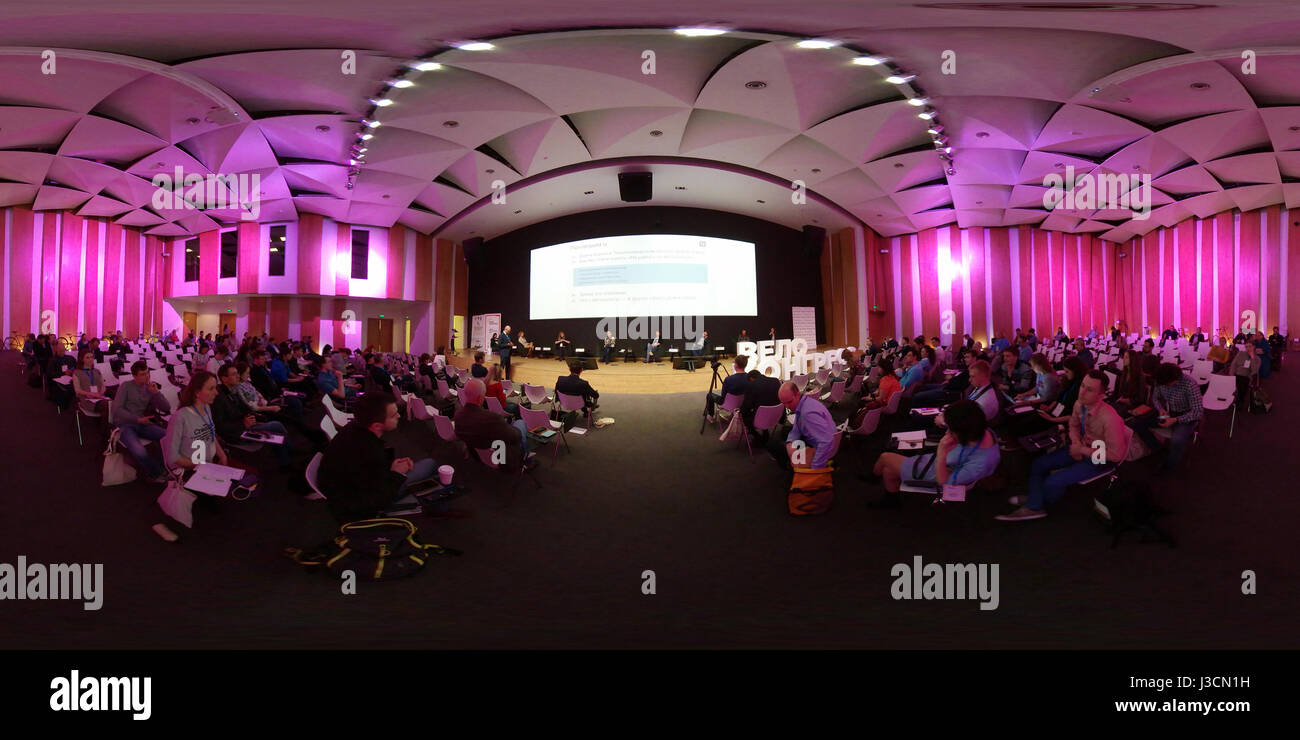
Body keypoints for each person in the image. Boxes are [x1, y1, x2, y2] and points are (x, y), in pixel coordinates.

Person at [997, 371, 1128, 521]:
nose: (1082, 392)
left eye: (1089, 390)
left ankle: (1036, 505)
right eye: (1082, 386)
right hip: (1082, 446)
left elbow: (1116, 455)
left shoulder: (1110, 419)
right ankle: (1036, 499)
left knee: (1053, 481)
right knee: (1039, 464)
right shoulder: (1080, 404)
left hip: (1100, 458)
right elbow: (1073, 426)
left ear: (1101, 395)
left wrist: (1081, 450)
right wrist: (1077, 443)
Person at [319, 392, 437, 523]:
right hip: (357, 507)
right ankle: (439, 510)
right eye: (393, 415)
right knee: (430, 464)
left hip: (346, 493)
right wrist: (397, 473)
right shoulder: (369, 452)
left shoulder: (353, 429)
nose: (399, 416)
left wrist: (390, 468)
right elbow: (379, 498)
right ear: (376, 426)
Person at [865, 400, 1001, 509]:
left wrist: (941, 452)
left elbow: (945, 483)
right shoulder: (981, 431)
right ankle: (891, 499)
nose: (948, 433)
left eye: (951, 431)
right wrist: (945, 422)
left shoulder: (981, 463)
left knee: (885, 457)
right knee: (888, 471)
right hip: (940, 462)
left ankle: (873, 477)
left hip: (937, 473)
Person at [213, 363, 291, 468]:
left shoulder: (232, 391)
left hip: (246, 426)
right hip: (237, 433)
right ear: (224, 378)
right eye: (234, 374)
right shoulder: (219, 398)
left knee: (275, 426)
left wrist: (253, 418)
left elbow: (242, 410)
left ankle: (285, 456)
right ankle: (286, 460)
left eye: (237, 373)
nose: (238, 376)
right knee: (276, 426)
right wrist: (244, 424)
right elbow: (220, 426)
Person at [1131, 363, 1203, 472]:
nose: (1166, 386)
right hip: (1169, 413)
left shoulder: (1190, 384)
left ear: (1176, 378)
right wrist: (1161, 409)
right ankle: (1159, 449)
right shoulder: (1161, 381)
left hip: (1186, 416)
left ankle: (1170, 466)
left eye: (1168, 384)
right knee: (1137, 423)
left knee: (1177, 440)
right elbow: (1156, 398)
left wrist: (1174, 420)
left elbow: (1197, 412)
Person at [110, 361, 171, 482]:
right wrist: (137, 419)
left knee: (168, 437)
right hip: (125, 424)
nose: (147, 376)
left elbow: (166, 408)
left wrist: (156, 393)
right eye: (143, 374)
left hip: (142, 422)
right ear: (135, 376)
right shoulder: (126, 386)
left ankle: (158, 469)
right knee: (140, 451)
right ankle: (156, 473)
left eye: (148, 373)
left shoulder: (150, 388)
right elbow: (116, 410)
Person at [454, 379, 535, 471]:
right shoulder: (492, 418)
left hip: (477, 455)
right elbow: (516, 437)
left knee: (513, 425)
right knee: (520, 423)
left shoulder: (458, 415)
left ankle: (526, 456)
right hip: (502, 460)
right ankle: (526, 459)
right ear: (480, 397)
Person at [164, 372, 231, 475]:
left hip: (207, 465)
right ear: (197, 392)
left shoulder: (207, 407)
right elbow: (173, 458)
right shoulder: (180, 417)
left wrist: (222, 455)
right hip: (189, 471)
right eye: (211, 389)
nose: (216, 393)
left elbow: (210, 434)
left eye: (216, 388)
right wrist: (201, 466)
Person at [767, 380, 837, 472]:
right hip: (818, 438)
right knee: (786, 431)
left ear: (798, 395)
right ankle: (793, 460)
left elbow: (826, 442)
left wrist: (815, 469)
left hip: (819, 447)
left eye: (789, 402)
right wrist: (790, 443)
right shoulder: (804, 402)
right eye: (784, 403)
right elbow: (797, 425)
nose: (787, 406)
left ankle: (793, 468)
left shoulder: (807, 414)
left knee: (771, 445)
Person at [704, 354, 751, 420]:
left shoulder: (728, 379)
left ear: (736, 365)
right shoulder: (750, 378)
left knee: (709, 395)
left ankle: (710, 416)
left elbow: (723, 396)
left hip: (729, 404)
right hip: (744, 403)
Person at [741, 368, 781, 441]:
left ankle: (757, 437)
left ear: (751, 378)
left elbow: (747, 406)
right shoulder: (776, 381)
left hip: (760, 418)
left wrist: (740, 411)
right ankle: (765, 431)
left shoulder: (751, 386)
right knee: (764, 406)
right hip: (777, 416)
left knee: (744, 415)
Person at [71, 349, 109, 423]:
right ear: (82, 359)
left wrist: (100, 394)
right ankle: (106, 430)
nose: (90, 359)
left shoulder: (97, 371)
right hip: (87, 400)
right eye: (87, 357)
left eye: (92, 357)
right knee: (107, 406)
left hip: (100, 397)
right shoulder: (77, 373)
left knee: (112, 405)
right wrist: (91, 394)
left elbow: (103, 386)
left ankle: (108, 428)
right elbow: (77, 390)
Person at [1229, 341, 1259, 411]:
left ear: (1254, 347)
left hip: (1246, 376)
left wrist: (1252, 358)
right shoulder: (1240, 353)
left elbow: (1254, 371)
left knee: (1242, 382)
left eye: (1250, 346)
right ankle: (1237, 400)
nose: (1248, 348)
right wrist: (1231, 374)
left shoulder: (1257, 359)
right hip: (1236, 374)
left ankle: (1238, 401)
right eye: (1246, 347)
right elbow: (1234, 364)